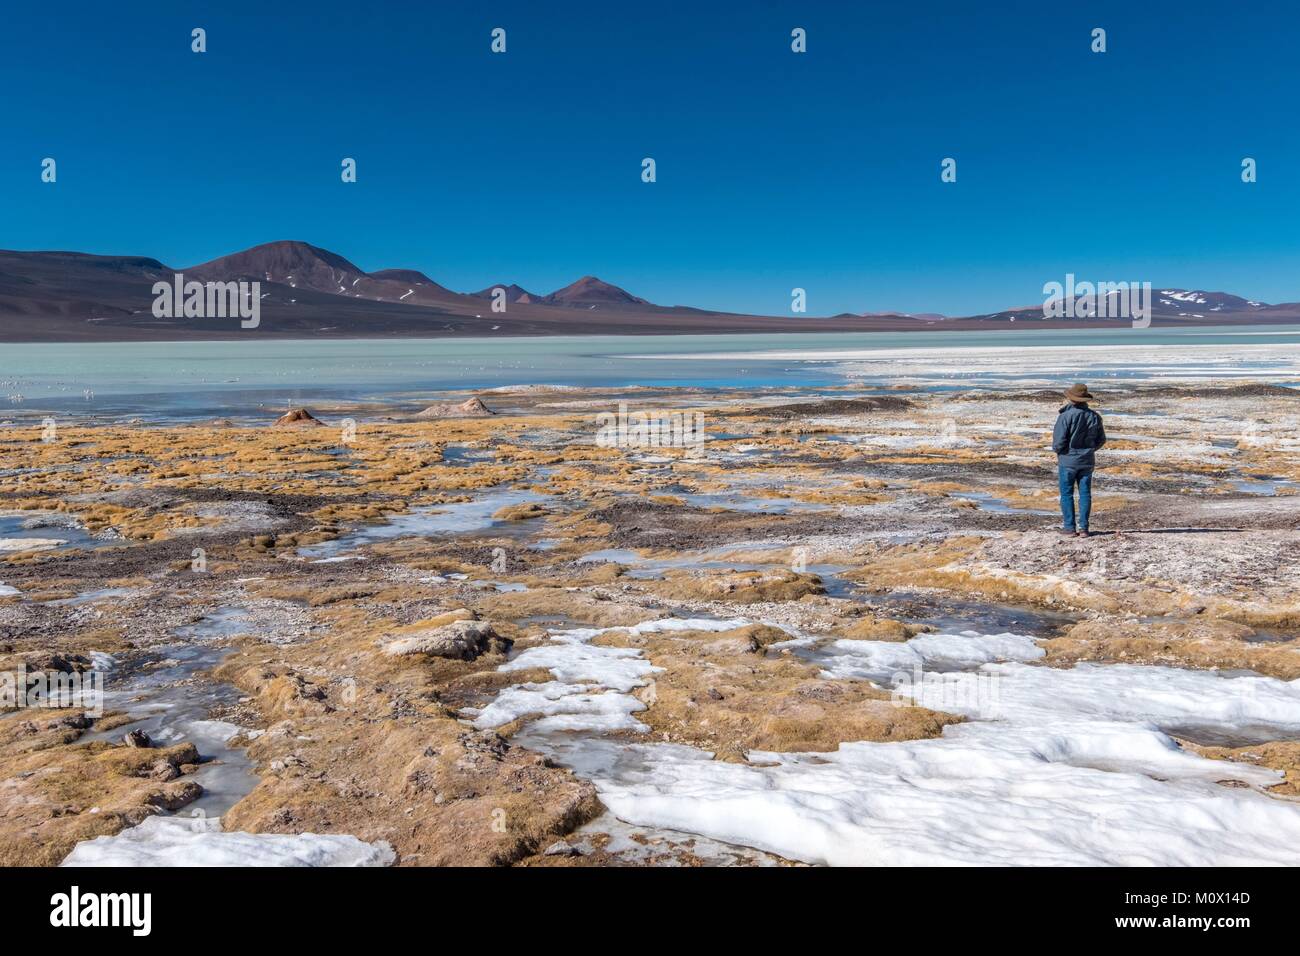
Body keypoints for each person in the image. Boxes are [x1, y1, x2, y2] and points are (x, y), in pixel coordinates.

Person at [1052, 383, 1105, 537]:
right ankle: (1084, 529)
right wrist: (1089, 450)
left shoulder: (1065, 416)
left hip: (1067, 461)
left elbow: (1058, 443)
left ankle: (1069, 528)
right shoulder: (1094, 416)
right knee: (1085, 494)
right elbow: (1101, 439)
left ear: (1071, 399)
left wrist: (1063, 453)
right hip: (1087, 461)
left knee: (1067, 494)